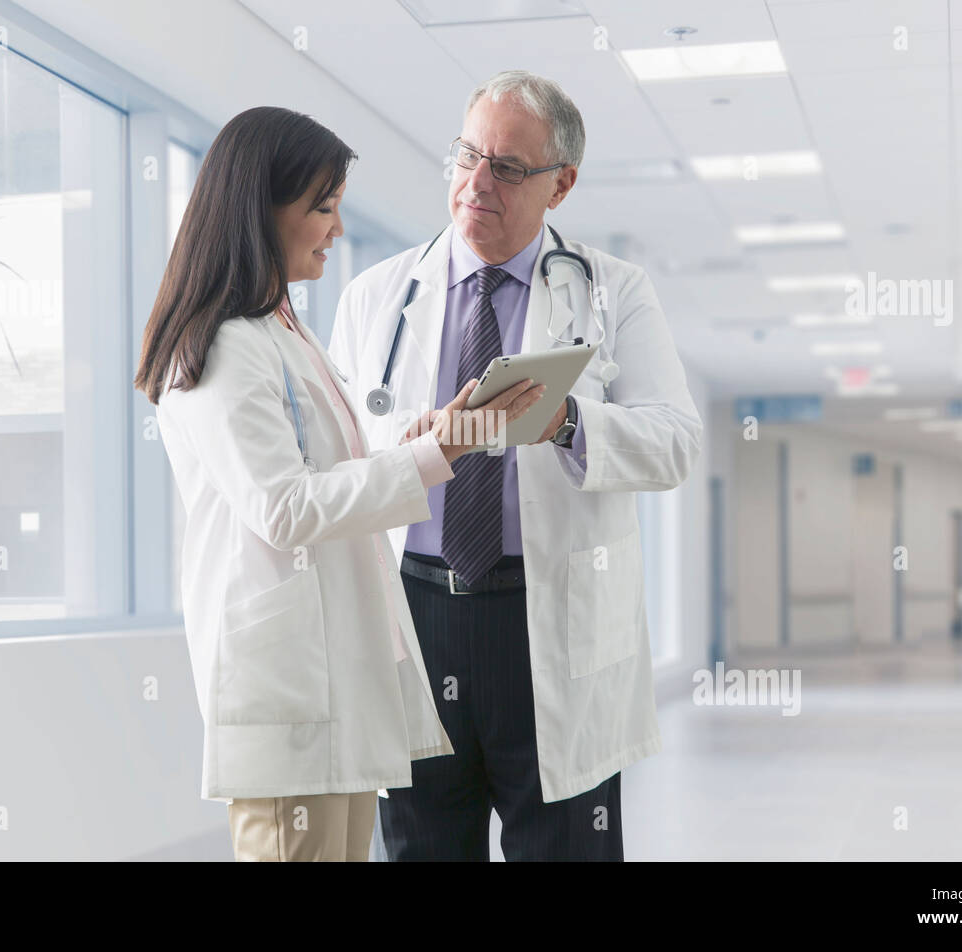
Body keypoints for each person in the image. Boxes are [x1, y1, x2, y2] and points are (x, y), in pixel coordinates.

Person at [133, 106, 545, 861]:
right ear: (261, 209)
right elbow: (283, 507)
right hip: (290, 689)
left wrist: (423, 441)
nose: (338, 229)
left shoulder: (281, 331)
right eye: (323, 207)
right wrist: (438, 454)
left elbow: (321, 479)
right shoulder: (225, 346)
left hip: (336, 682)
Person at [329, 71, 704, 861]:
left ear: (560, 185)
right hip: (415, 614)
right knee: (421, 845)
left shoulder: (614, 293)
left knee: (565, 845)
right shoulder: (376, 295)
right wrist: (414, 436)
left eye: (508, 167)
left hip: (548, 615)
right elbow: (339, 462)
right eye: (467, 155)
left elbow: (674, 441)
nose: (477, 183)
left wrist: (566, 420)